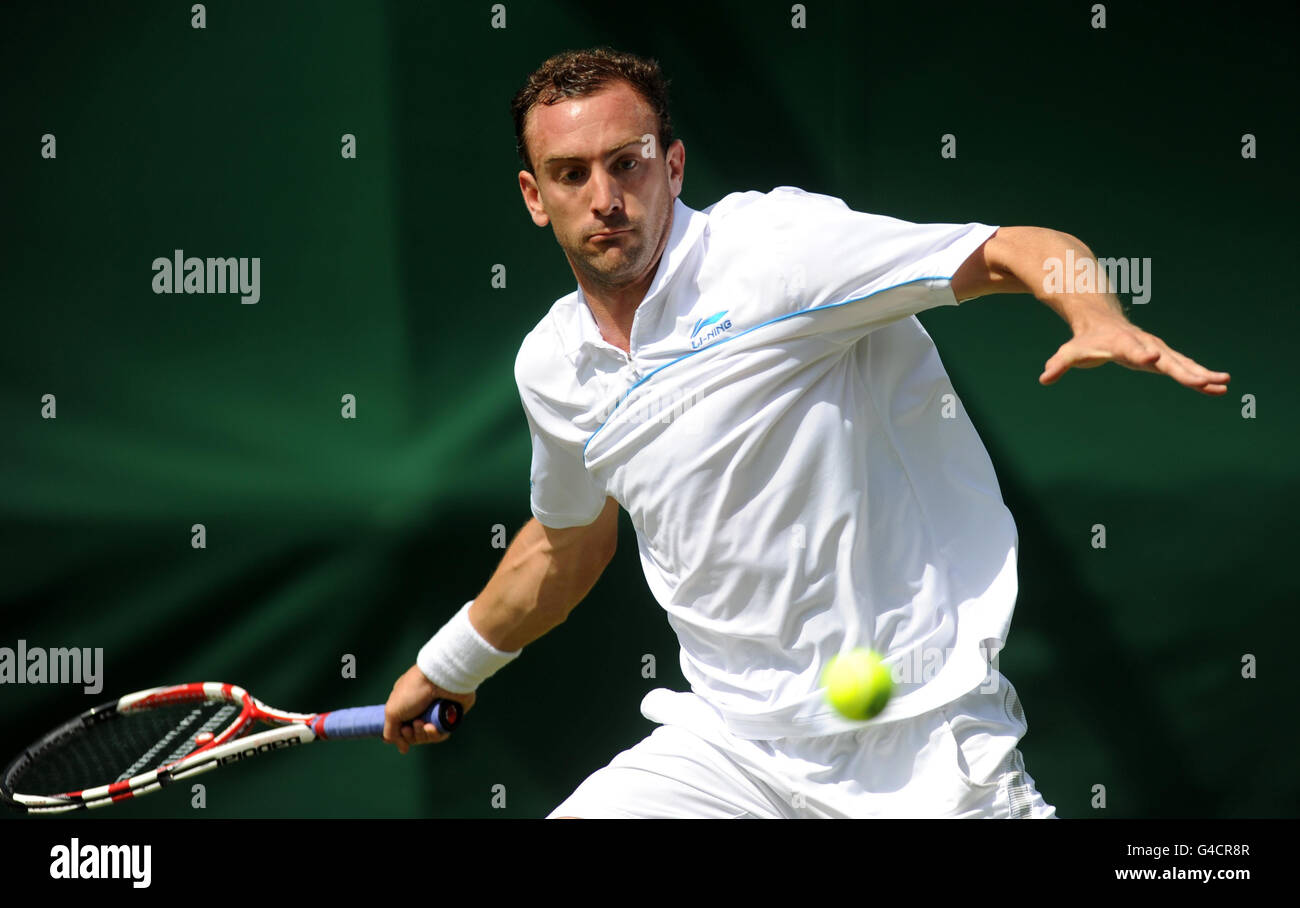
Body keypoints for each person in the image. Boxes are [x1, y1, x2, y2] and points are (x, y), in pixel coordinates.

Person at [381, 47, 1230, 818]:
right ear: (536, 197)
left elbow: (1017, 249)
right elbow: (566, 547)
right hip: (727, 748)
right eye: (569, 174)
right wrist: (448, 667)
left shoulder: (777, 250)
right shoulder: (553, 365)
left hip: (921, 742)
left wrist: (1093, 312)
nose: (604, 197)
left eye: (627, 163)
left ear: (672, 167)